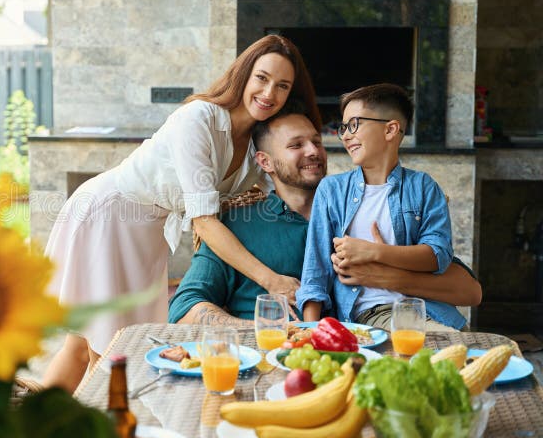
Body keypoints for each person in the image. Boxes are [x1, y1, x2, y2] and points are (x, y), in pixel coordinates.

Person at [42, 35, 321, 393]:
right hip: (109, 215)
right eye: (262, 78)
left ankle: (29, 429)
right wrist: (272, 281)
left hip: (147, 233)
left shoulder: (255, 144)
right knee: (109, 350)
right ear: (242, 76)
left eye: (282, 86)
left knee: (83, 345)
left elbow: (271, 192)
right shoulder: (199, 118)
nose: (270, 93)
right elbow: (203, 219)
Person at [168, 104, 481, 327]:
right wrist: (258, 333)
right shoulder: (240, 224)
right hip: (267, 354)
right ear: (265, 161)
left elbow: (467, 289)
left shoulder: (356, 208)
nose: (313, 151)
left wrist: (382, 274)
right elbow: (185, 306)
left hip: (359, 350)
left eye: (316, 141)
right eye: (296, 145)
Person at [297, 83, 465, 330]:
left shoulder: (423, 187)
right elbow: (315, 274)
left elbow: (438, 255)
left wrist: (374, 253)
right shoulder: (331, 191)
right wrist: (310, 334)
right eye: (343, 128)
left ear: (390, 129)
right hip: (371, 316)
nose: (345, 135)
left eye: (354, 125)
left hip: (426, 309)